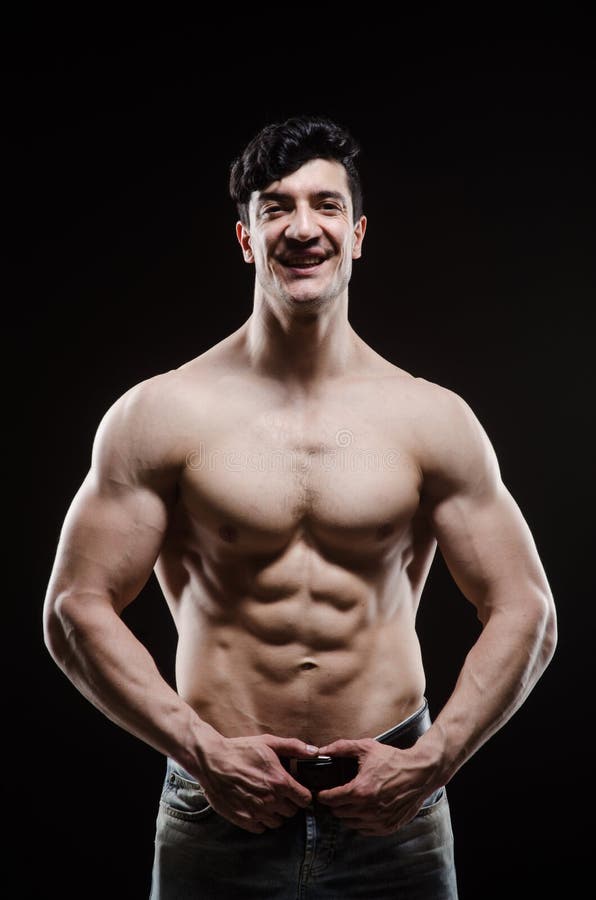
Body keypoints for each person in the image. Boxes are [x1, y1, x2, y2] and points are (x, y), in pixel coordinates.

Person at [43, 113, 557, 900]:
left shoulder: (430, 417)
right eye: (275, 207)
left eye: (324, 205)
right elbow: (75, 606)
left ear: (356, 234)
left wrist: (432, 761)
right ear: (246, 238)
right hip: (219, 799)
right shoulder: (161, 413)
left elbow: (526, 606)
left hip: (397, 802)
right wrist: (200, 751)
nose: (301, 226)